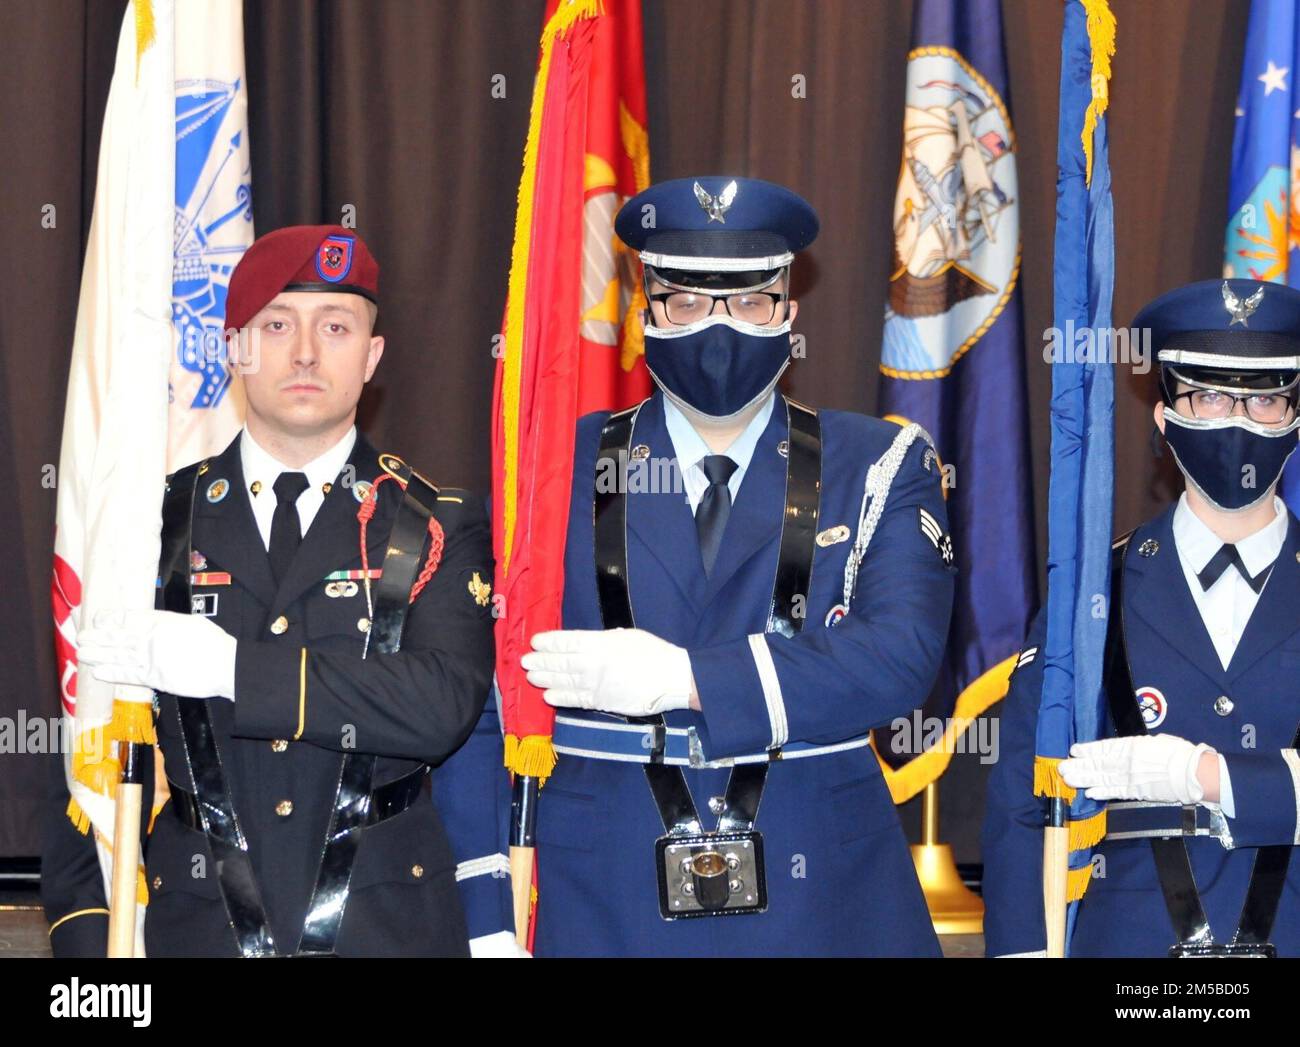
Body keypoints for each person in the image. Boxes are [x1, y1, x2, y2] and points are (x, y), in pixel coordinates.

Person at [518, 176, 957, 956]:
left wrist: (689, 680)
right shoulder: (557, 461)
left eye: (749, 301)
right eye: (686, 302)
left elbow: (898, 661)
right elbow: (497, 695)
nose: (717, 328)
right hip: (606, 888)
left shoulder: (880, 460)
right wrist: (488, 900)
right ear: (644, 309)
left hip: (823, 887)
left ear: (789, 311)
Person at [42, 225, 497, 957]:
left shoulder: (435, 524)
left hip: (384, 933)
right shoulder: (149, 527)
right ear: (234, 350)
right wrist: (95, 952)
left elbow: (439, 703)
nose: (306, 351)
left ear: (372, 356)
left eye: (337, 326)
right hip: (191, 931)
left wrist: (229, 669)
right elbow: (84, 741)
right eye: (277, 324)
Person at [983, 278, 1300, 957]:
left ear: (1296, 416)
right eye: (1209, 396)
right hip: (1131, 948)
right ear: (1163, 417)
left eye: (1266, 399)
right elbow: (1025, 792)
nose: (1238, 421)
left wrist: (1208, 778)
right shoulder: (1092, 589)